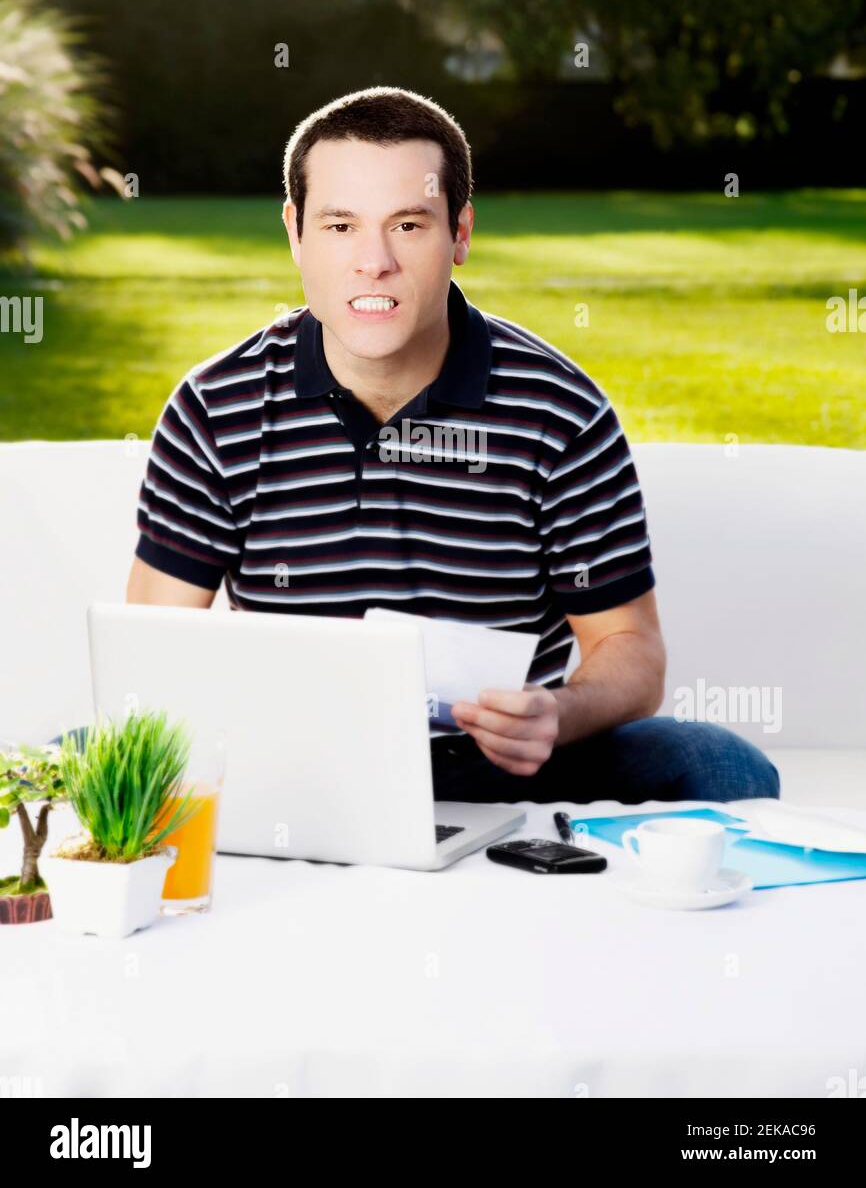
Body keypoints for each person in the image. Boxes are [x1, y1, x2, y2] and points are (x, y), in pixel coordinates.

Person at [127, 86, 780, 806]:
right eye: (340, 226)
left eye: (408, 224)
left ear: (460, 233)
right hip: (294, 763)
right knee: (80, 758)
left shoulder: (560, 409)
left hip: (506, 767)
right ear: (296, 232)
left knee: (716, 763)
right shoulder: (216, 404)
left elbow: (633, 652)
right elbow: (155, 653)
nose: (373, 261)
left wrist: (555, 717)